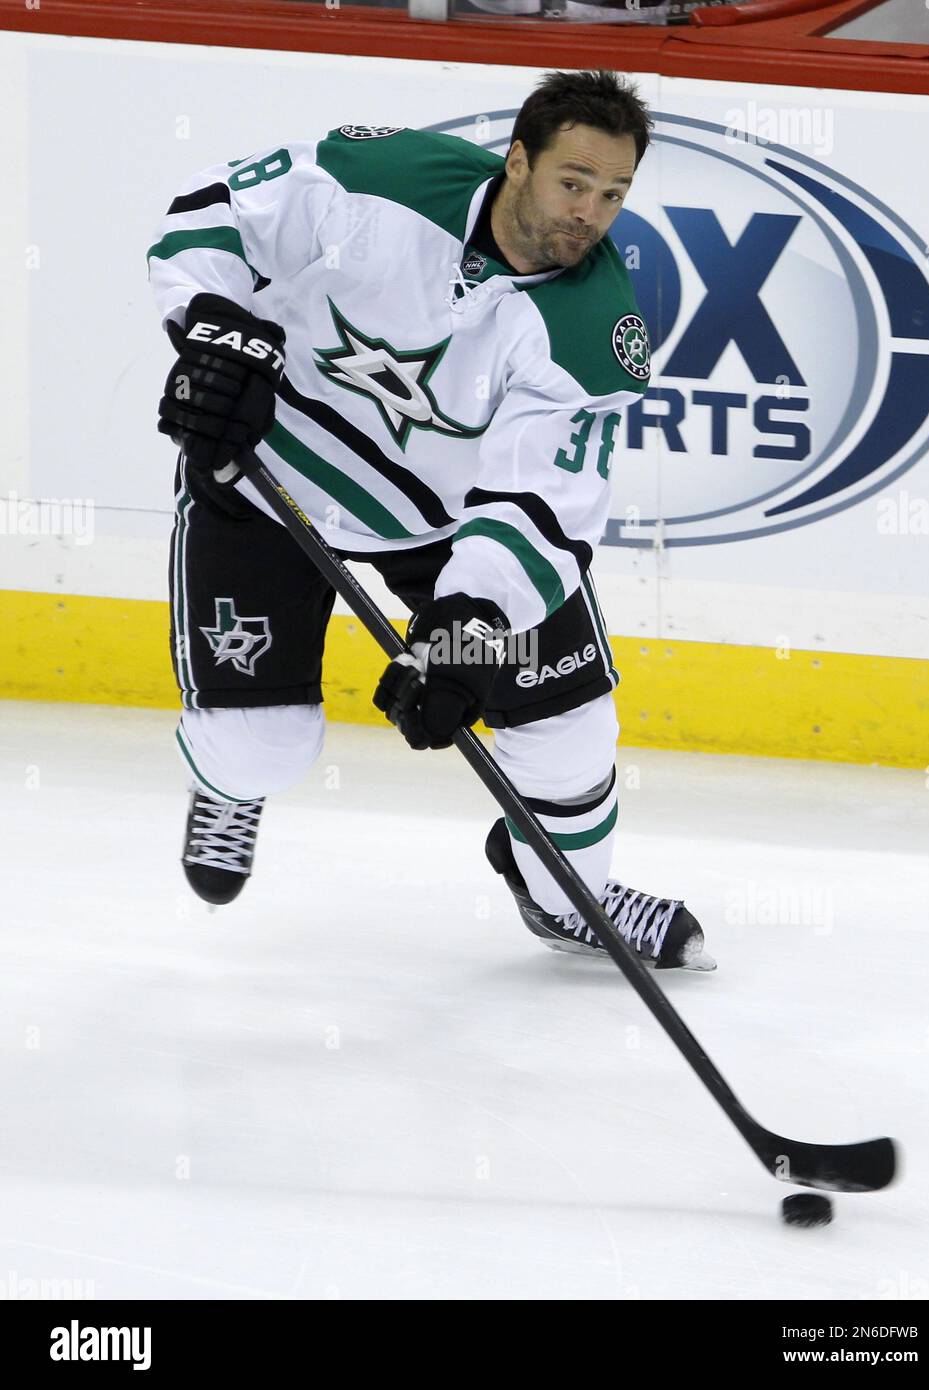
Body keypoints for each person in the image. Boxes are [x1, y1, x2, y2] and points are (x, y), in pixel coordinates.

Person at [148, 68, 713, 970]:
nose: (590, 213)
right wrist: (214, 325)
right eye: (574, 182)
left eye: (613, 194)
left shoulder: (595, 327)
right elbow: (218, 211)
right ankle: (229, 786)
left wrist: (468, 624)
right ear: (518, 162)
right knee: (258, 748)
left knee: (570, 737)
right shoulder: (386, 178)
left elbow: (542, 500)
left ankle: (570, 897)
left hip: (445, 527)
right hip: (269, 474)